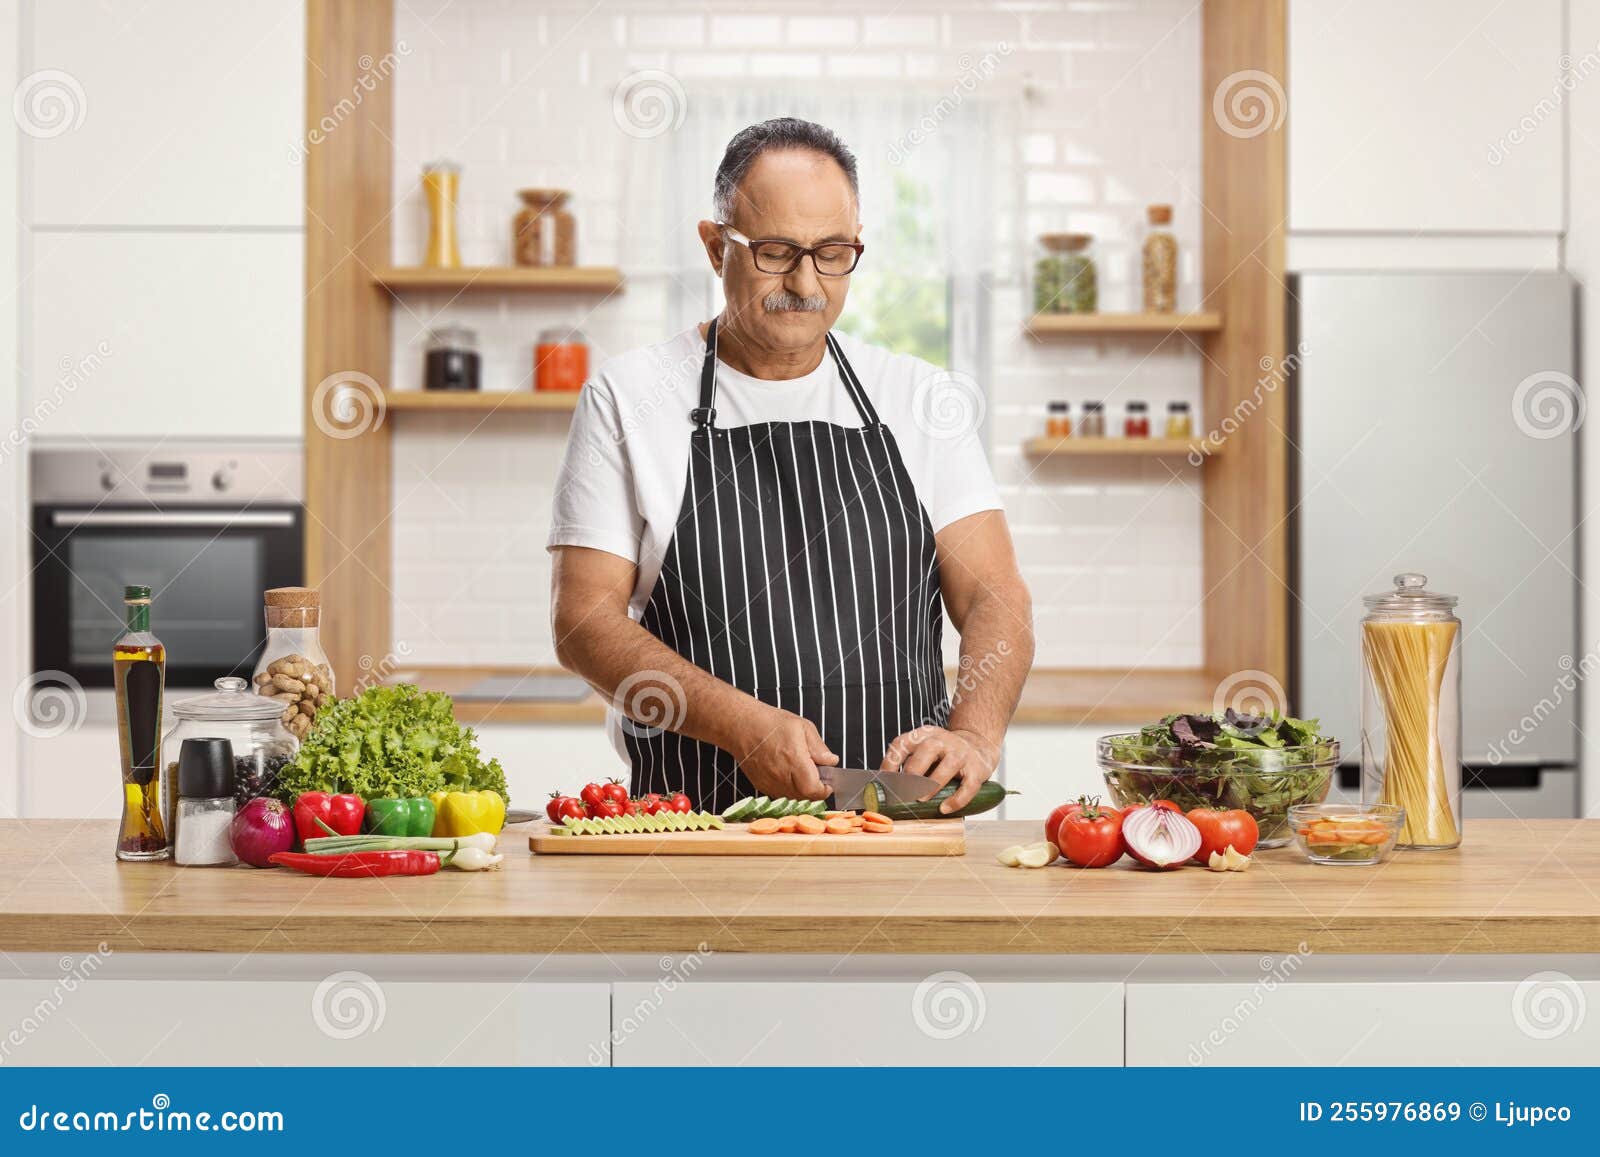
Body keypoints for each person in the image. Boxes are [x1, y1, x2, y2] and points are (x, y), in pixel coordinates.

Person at [548, 117, 1033, 814]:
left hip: (898, 829)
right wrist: (743, 728)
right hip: (695, 830)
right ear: (716, 247)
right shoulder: (627, 399)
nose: (805, 281)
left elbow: (997, 595)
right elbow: (582, 619)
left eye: (833, 252)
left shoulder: (921, 398)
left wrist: (975, 735)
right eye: (776, 251)